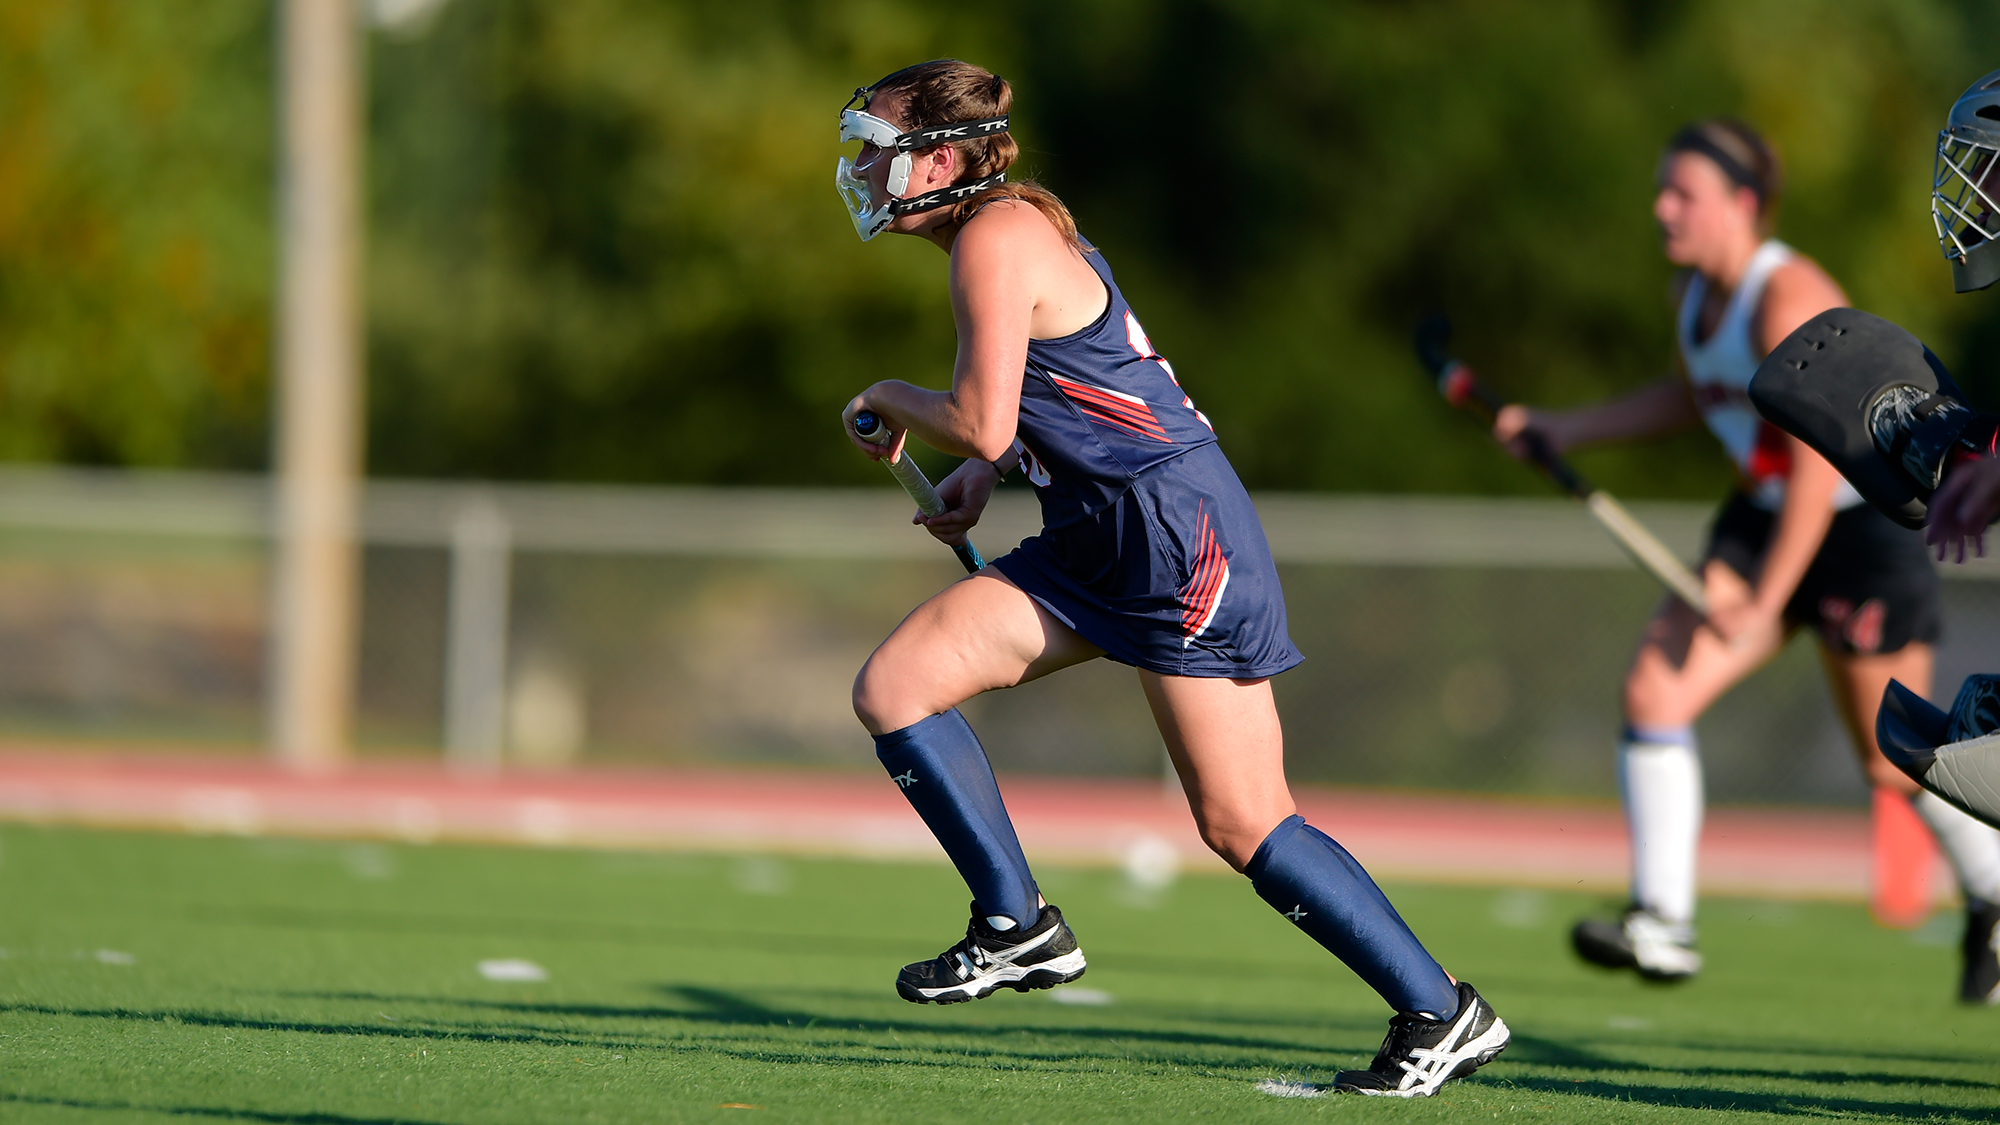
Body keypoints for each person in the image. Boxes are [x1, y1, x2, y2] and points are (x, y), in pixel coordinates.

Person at [834, 59, 1508, 1096]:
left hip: (1173, 538)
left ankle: (1438, 1008)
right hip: (1097, 536)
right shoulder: (1000, 233)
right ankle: (1016, 924)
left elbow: (984, 413)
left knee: (1241, 821)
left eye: (876, 154)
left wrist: (893, 396)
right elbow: (1049, 402)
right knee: (894, 688)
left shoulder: (996, 237)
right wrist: (977, 478)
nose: (863, 176)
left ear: (937, 160)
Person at [1494, 118, 2000, 1000]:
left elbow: (1817, 462)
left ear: (1745, 205)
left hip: (1851, 530)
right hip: (1763, 520)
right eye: (1661, 189)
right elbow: (1693, 395)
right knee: (1655, 689)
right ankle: (1662, 922)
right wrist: (1566, 426)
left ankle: (1994, 897)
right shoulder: (1690, 298)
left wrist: (1766, 601)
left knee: (1893, 760)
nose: (1662, 208)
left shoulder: (1785, 291)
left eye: (1682, 192)